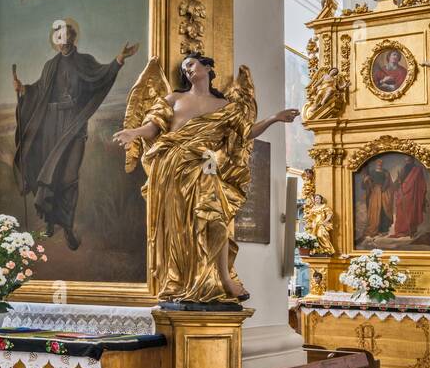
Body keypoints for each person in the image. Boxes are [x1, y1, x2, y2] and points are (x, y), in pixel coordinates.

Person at [112, 53, 298, 302]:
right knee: (178, 228)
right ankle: (180, 281)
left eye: (191, 64)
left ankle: (223, 278)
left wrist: (275, 118)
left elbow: (246, 132)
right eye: (184, 68)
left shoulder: (226, 107)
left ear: (208, 67)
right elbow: (154, 127)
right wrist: (134, 132)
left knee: (216, 218)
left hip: (205, 166)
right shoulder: (174, 98)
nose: (187, 70)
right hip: (172, 166)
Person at [13, 19, 139, 248]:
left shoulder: (84, 62)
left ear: (73, 38)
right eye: (59, 38)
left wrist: (119, 60)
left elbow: (100, 76)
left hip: (74, 125)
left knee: (69, 176)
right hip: (52, 125)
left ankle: (68, 227)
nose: (64, 41)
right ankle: (50, 222)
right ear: (55, 41)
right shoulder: (50, 66)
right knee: (51, 174)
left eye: (67, 37)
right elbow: (40, 90)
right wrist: (24, 90)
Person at [390, 157, 429, 239]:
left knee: (411, 212)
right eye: (406, 160)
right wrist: (397, 183)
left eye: (409, 160)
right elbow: (398, 180)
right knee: (400, 211)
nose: (407, 162)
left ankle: (411, 230)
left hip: (412, 195)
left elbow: (421, 184)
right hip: (402, 193)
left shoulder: (417, 170)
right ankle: (401, 231)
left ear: (412, 160)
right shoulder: (404, 169)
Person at [359, 157, 394, 241]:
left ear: (382, 164)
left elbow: (389, 183)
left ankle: (383, 230)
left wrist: (384, 189)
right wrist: (365, 180)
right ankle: (374, 229)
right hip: (374, 194)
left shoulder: (386, 172)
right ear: (376, 164)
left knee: (383, 209)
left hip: (384, 193)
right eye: (378, 163)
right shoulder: (371, 173)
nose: (379, 164)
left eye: (381, 163)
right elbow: (364, 186)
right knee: (375, 210)